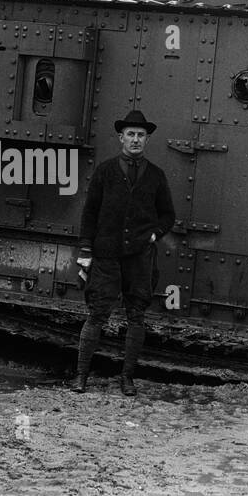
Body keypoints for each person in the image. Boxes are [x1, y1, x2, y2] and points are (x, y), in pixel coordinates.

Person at [73, 110, 176, 397]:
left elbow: (168, 215)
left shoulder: (156, 175)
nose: (135, 139)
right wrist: (86, 248)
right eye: (130, 134)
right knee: (97, 314)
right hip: (106, 255)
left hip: (140, 258)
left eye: (141, 135)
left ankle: (127, 379)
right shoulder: (105, 171)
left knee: (136, 316)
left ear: (147, 139)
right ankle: (81, 376)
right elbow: (90, 212)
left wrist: (154, 234)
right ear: (121, 137)